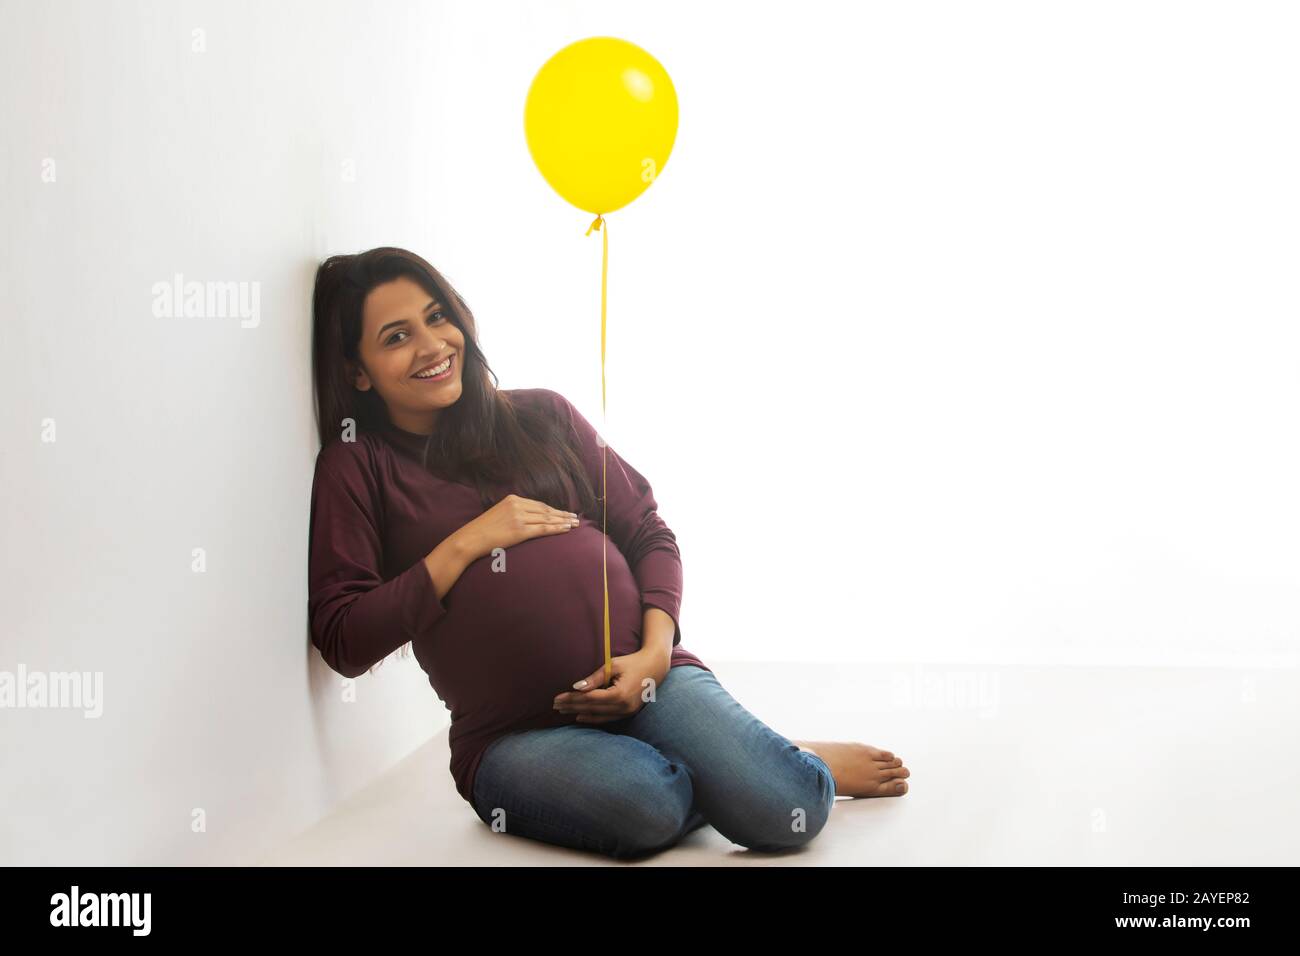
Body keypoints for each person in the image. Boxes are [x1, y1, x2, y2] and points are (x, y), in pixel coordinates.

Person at [307, 247, 910, 859]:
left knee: (791, 811)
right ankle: (736, 768)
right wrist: (466, 543)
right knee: (647, 809)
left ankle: (776, 763)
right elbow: (342, 637)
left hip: (650, 682)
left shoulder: (541, 415)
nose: (433, 344)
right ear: (358, 371)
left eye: (438, 317)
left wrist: (653, 655)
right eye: (397, 336)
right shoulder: (357, 466)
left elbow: (649, 532)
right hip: (514, 737)